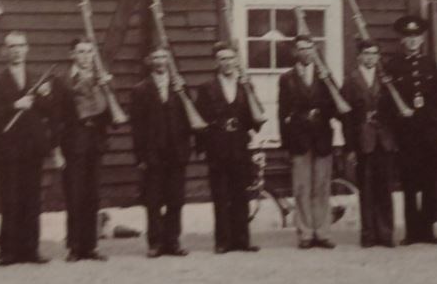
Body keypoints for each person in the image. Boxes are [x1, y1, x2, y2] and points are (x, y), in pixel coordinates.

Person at [0, 31, 52, 266]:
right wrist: (15, 104)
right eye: (11, 46)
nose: (16, 50)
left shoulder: (37, 79)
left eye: (20, 45)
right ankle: (8, 252)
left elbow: (47, 111)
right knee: (10, 199)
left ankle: (31, 250)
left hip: (32, 148)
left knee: (32, 199)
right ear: (5, 51)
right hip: (9, 148)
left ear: (27, 49)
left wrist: (45, 97)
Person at [195, 43, 264, 254]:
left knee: (241, 194)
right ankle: (223, 241)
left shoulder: (245, 85)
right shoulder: (207, 88)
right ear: (216, 62)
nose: (227, 62)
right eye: (222, 59)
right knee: (221, 194)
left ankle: (242, 239)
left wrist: (248, 91)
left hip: (240, 145)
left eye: (230, 58)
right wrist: (205, 146)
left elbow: (256, 119)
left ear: (236, 60)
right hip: (218, 146)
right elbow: (201, 120)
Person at [50, 40, 113, 262]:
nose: (86, 56)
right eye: (81, 52)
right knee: (74, 195)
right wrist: (56, 149)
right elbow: (55, 117)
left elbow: (110, 116)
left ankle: (91, 246)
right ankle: (75, 247)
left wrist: (105, 90)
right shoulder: (63, 81)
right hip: (72, 144)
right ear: (72, 55)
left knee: (93, 196)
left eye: (89, 52)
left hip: (95, 144)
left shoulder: (100, 79)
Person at [385, 15, 437, 245]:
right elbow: (388, 103)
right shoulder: (393, 65)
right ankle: (411, 232)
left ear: (422, 38)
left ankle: (428, 231)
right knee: (409, 185)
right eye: (408, 36)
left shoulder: (430, 64)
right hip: (406, 134)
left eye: (416, 36)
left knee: (429, 184)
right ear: (402, 39)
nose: (412, 40)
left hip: (428, 134)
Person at [278, 34, 340, 250]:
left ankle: (322, 232)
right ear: (296, 52)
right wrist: (287, 143)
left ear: (314, 50)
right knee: (302, 188)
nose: (305, 52)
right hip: (299, 139)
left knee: (322, 187)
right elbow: (282, 112)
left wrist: (327, 84)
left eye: (309, 48)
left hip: (322, 137)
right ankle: (305, 233)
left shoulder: (325, 75)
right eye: (301, 48)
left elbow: (336, 107)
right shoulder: (286, 78)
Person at [130, 48, 192, 258]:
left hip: (176, 152)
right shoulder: (140, 90)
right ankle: (155, 243)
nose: (160, 61)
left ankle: (173, 241)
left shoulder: (180, 86)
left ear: (169, 60)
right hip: (153, 154)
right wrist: (140, 157)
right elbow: (136, 127)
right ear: (149, 61)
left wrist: (183, 91)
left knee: (176, 200)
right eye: (155, 57)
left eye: (163, 57)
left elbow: (189, 119)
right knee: (153, 200)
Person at [343, 38, 398, 248]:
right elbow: (346, 117)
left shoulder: (386, 79)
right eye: (367, 53)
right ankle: (368, 234)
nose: (371, 57)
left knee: (385, 188)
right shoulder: (351, 81)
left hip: (384, 140)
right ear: (359, 56)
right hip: (362, 141)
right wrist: (350, 147)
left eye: (374, 54)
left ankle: (386, 234)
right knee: (366, 189)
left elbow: (394, 111)